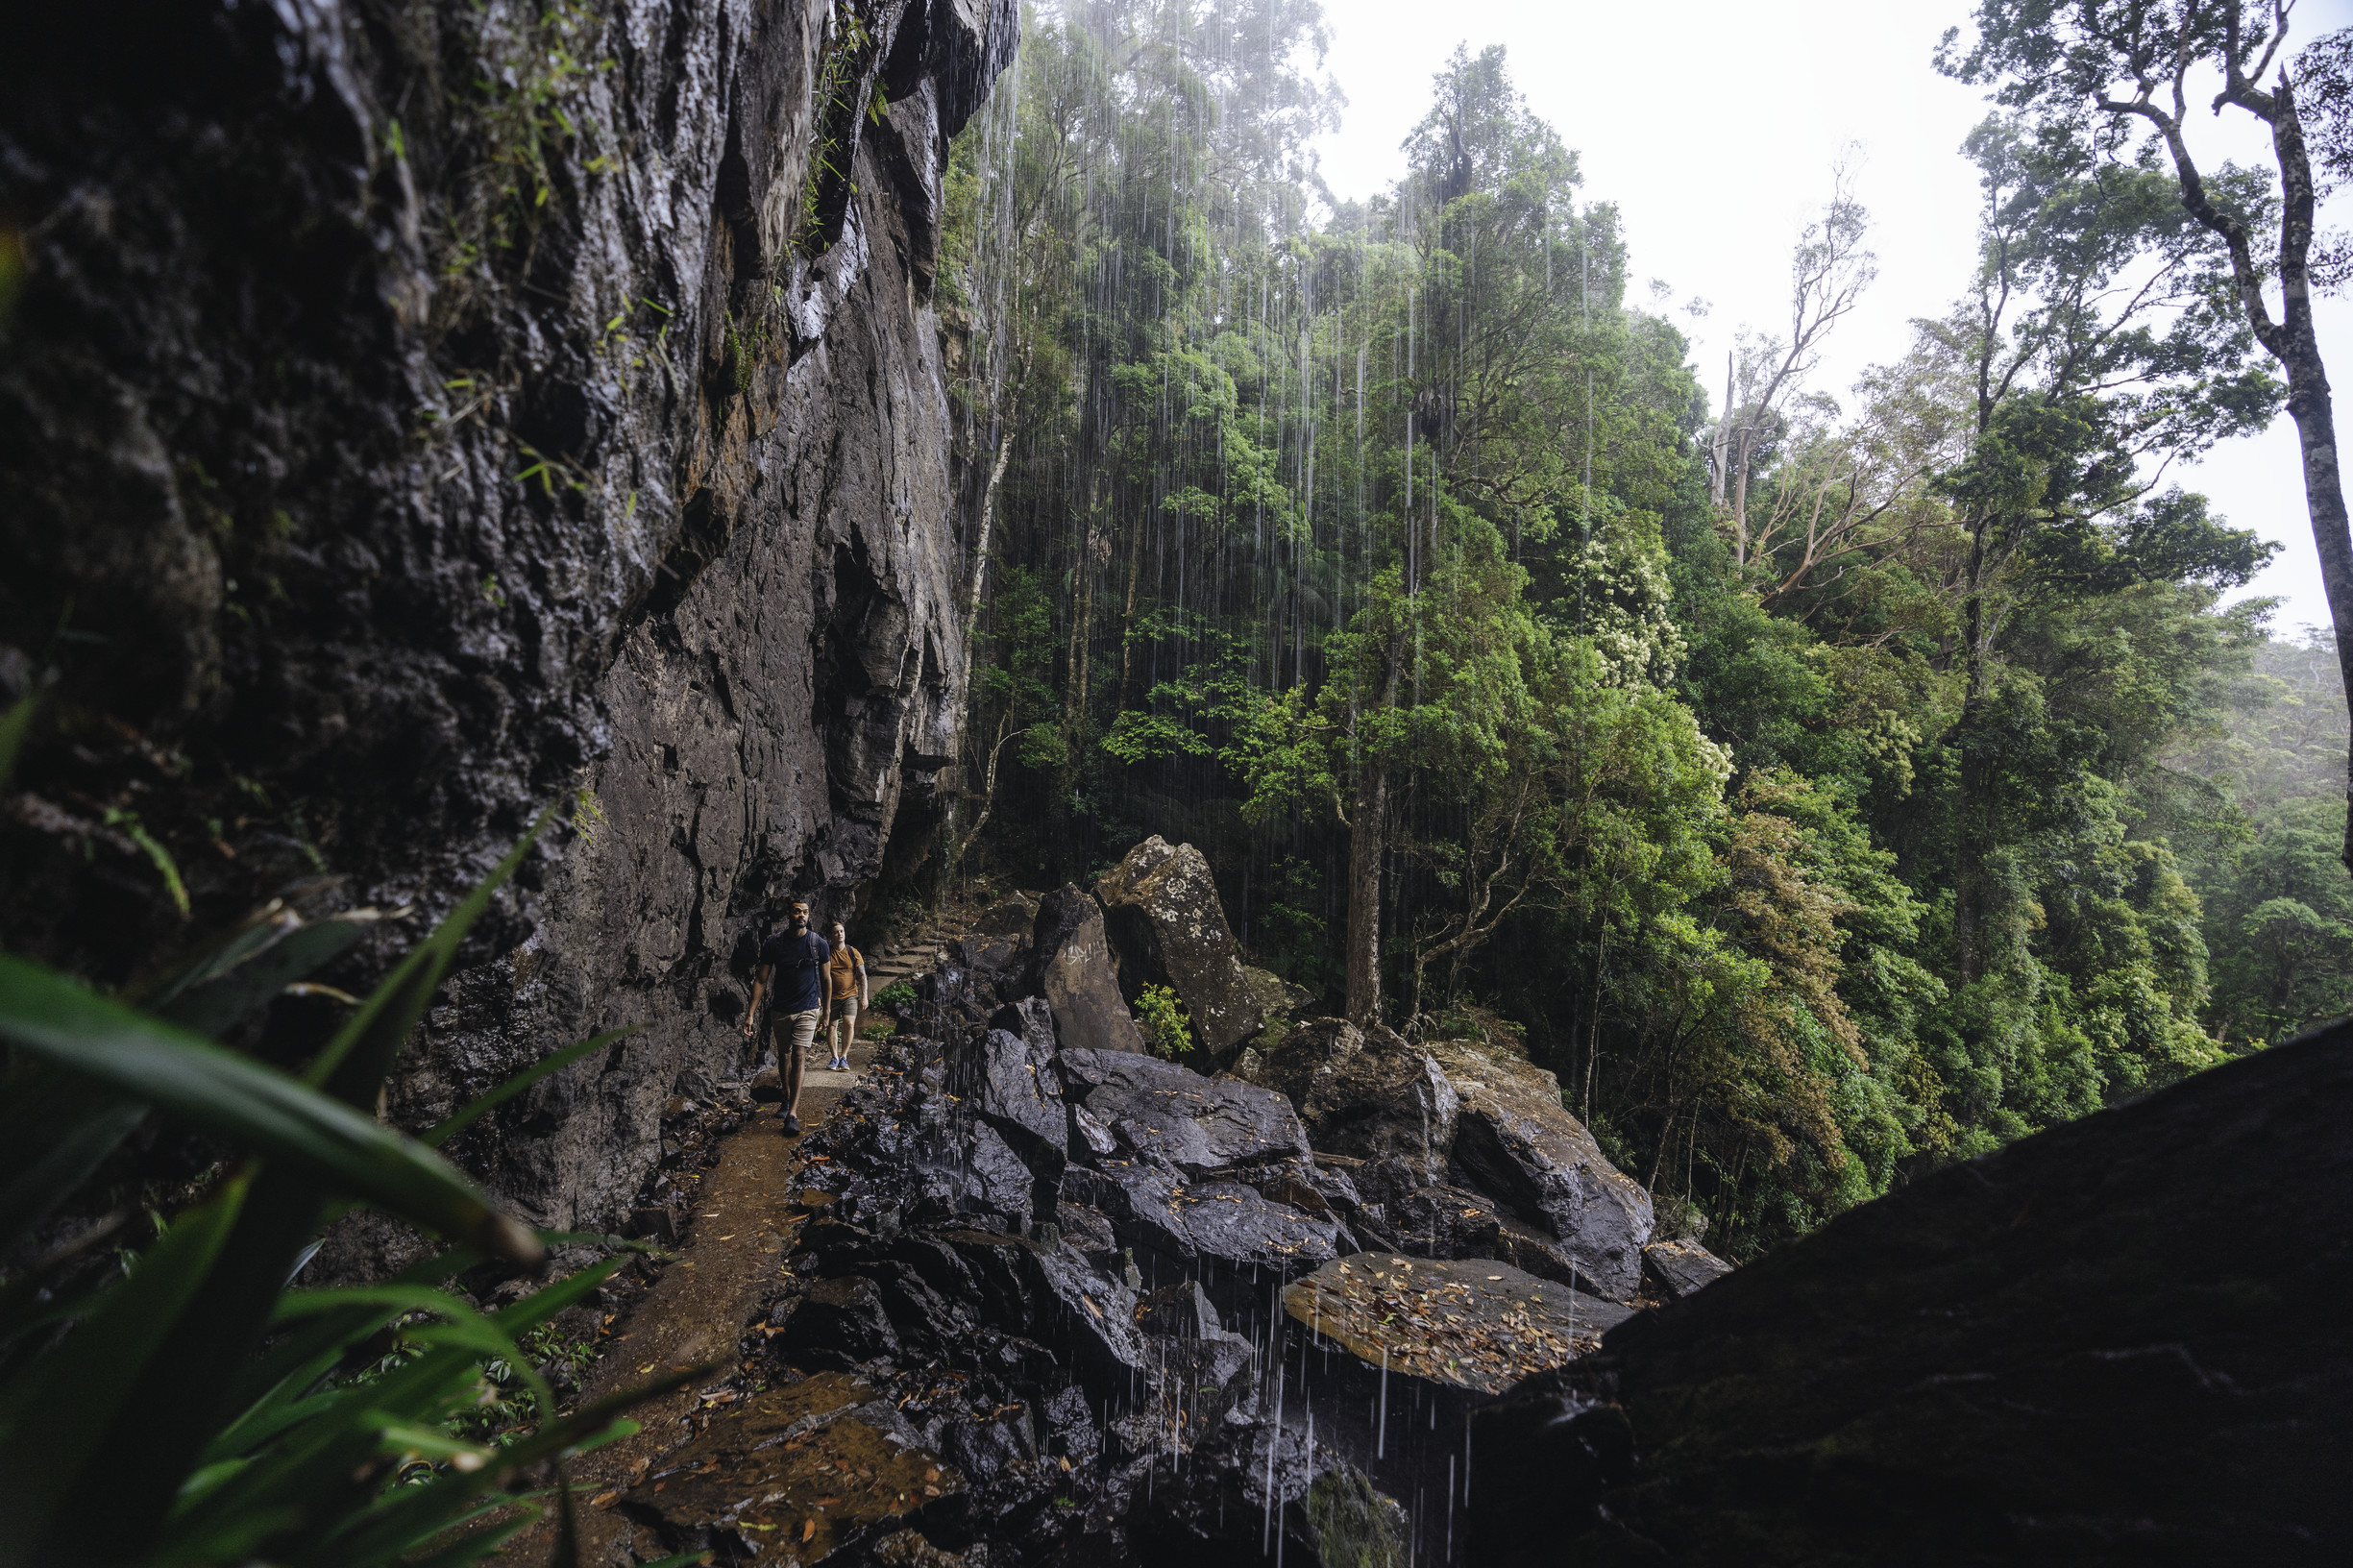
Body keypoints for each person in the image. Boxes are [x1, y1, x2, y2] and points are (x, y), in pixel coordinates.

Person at [743, 898, 830, 1136]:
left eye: (805, 912)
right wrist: (750, 1013)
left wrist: (827, 1012)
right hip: (781, 1009)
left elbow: (826, 979)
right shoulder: (774, 944)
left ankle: (792, 1113)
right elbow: (761, 980)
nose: (801, 915)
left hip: (808, 1008)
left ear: (809, 915)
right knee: (785, 1055)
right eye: (796, 911)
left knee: (800, 1054)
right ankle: (786, 1094)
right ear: (788, 915)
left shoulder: (818, 944)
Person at [823, 919, 868, 1070]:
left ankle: (844, 1057)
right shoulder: (827, 953)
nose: (839, 934)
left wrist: (864, 996)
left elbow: (862, 975)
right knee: (831, 1026)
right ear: (831, 936)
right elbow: (819, 975)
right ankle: (834, 1057)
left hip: (850, 994)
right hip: (831, 996)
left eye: (841, 931)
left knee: (849, 1023)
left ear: (845, 933)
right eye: (836, 932)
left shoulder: (852, 952)